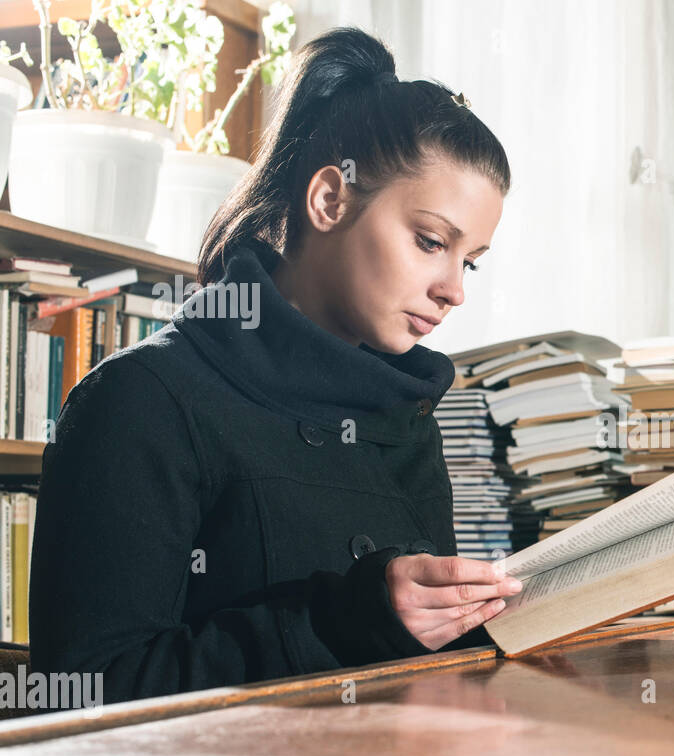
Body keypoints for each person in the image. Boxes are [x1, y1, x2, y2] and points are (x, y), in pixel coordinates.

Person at [29, 27, 520, 707]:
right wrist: (343, 617)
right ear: (329, 200)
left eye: (468, 261)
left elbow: (421, 662)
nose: (454, 289)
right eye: (431, 241)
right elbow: (83, 697)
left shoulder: (408, 411)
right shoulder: (139, 401)